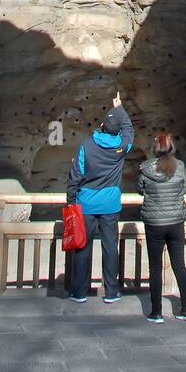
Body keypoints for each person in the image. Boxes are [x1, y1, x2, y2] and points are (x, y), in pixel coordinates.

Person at [66, 92, 134, 304]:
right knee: (110, 246)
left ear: (103, 126)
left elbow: (76, 174)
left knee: (82, 247)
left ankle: (79, 292)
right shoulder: (120, 148)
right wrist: (120, 108)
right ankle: (111, 292)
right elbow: (129, 132)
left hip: (86, 204)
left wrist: (71, 201)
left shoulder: (86, 145)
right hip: (110, 205)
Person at [137, 133, 186, 324]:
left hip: (154, 223)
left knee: (155, 268)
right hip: (176, 222)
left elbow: (140, 188)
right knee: (179, 265)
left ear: (155, 149)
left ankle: (156, 312)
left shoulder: (146, 169)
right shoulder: (180, 167)